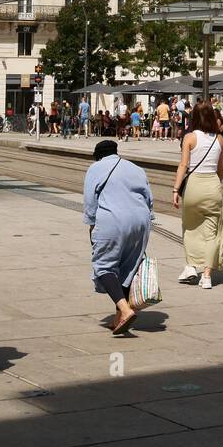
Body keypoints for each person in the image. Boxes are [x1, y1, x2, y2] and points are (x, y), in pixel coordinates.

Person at [83, 140, 153, 335]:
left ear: (98, 155)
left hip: (113, 220)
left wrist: (91, 226)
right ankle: (118, 318)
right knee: (128, 268)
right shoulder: (136, 168)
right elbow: (149, 198)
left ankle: (125, 309)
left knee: (103, 266)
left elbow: (90, 202)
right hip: (141, 220)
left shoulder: (95, 168)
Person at [172, 100, 223, 290]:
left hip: (193, 186)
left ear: (193, 117)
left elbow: (183, 166)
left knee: (189, 227)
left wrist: (176, 189)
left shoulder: (189, 138)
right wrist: (216, 187)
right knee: (211, 233)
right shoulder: (219, 140)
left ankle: (191, 266)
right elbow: (221, 170)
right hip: (212, 185)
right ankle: (207, 276)